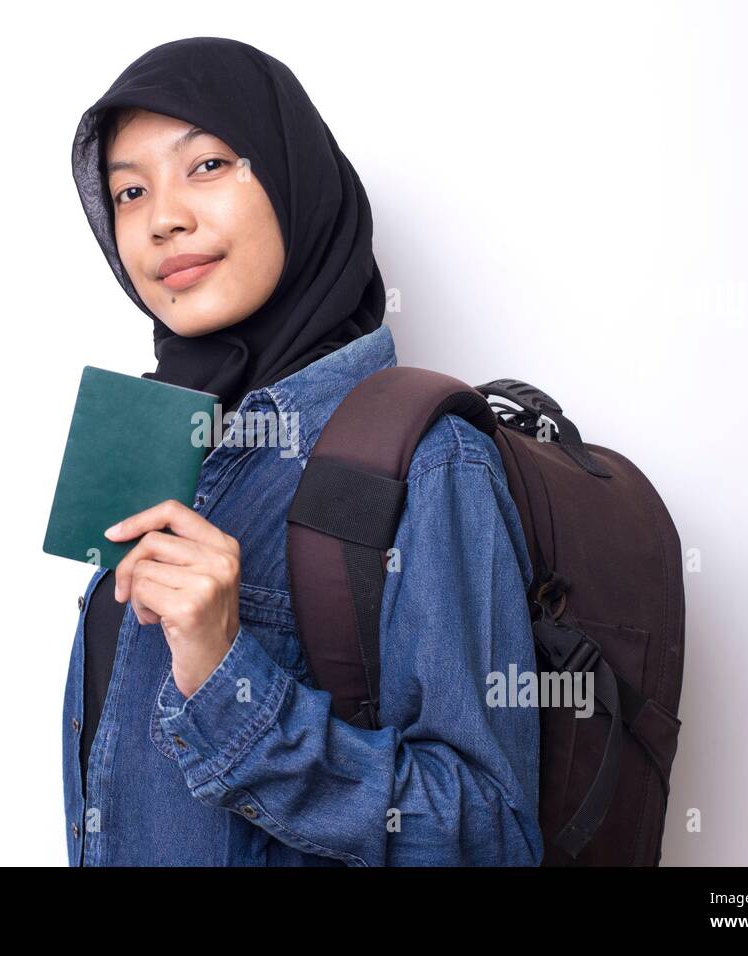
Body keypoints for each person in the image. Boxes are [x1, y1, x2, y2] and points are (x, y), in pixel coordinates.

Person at [61, 36, 542, 866]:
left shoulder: (425, 463)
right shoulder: (151, 447)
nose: (163, 217)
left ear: (294, 182)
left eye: (206, 166)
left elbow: (490, 836)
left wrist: (226, 681)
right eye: (129, 190)